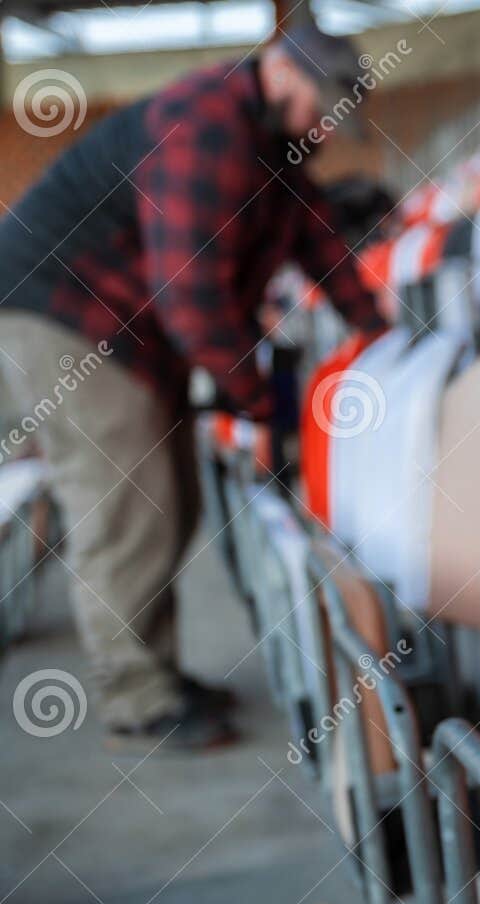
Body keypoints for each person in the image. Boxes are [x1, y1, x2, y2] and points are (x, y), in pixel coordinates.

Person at [0, 21, 387, 750]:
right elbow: (190, 295)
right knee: (126, 503)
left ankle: (158, 671)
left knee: (170, 499)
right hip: (62, 315)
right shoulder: (206, 126)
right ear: (282, 71)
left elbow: (318, 241)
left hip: (127, 329)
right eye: (323, 106)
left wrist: (378, 331)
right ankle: (137, 697)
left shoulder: (274, 147)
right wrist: (260, 401)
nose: (327, 130)